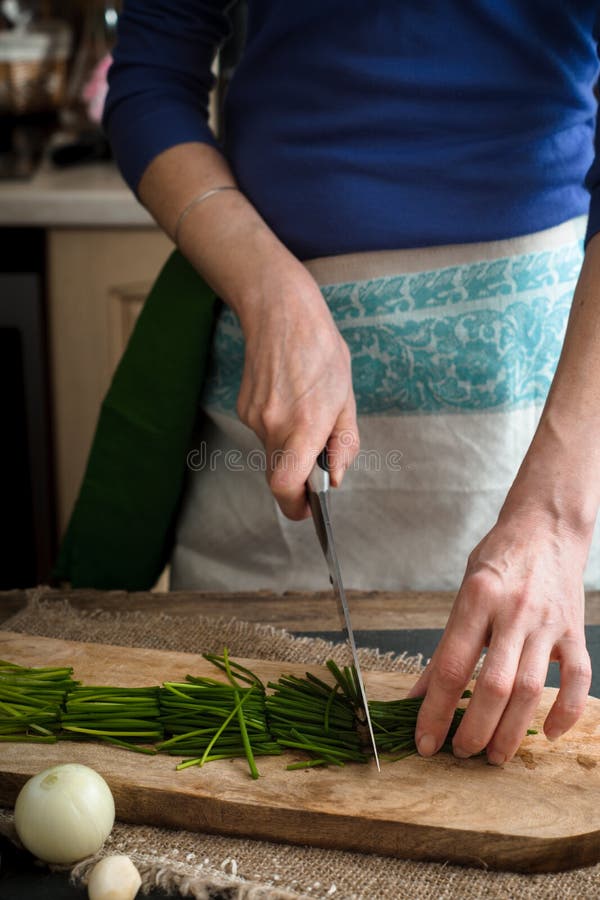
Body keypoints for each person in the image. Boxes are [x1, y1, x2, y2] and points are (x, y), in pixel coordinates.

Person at [104, 2, 599, 768]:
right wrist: (270, 291)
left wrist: (559, 516)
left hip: (540, 413)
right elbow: (148, 78)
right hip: (270, 367)